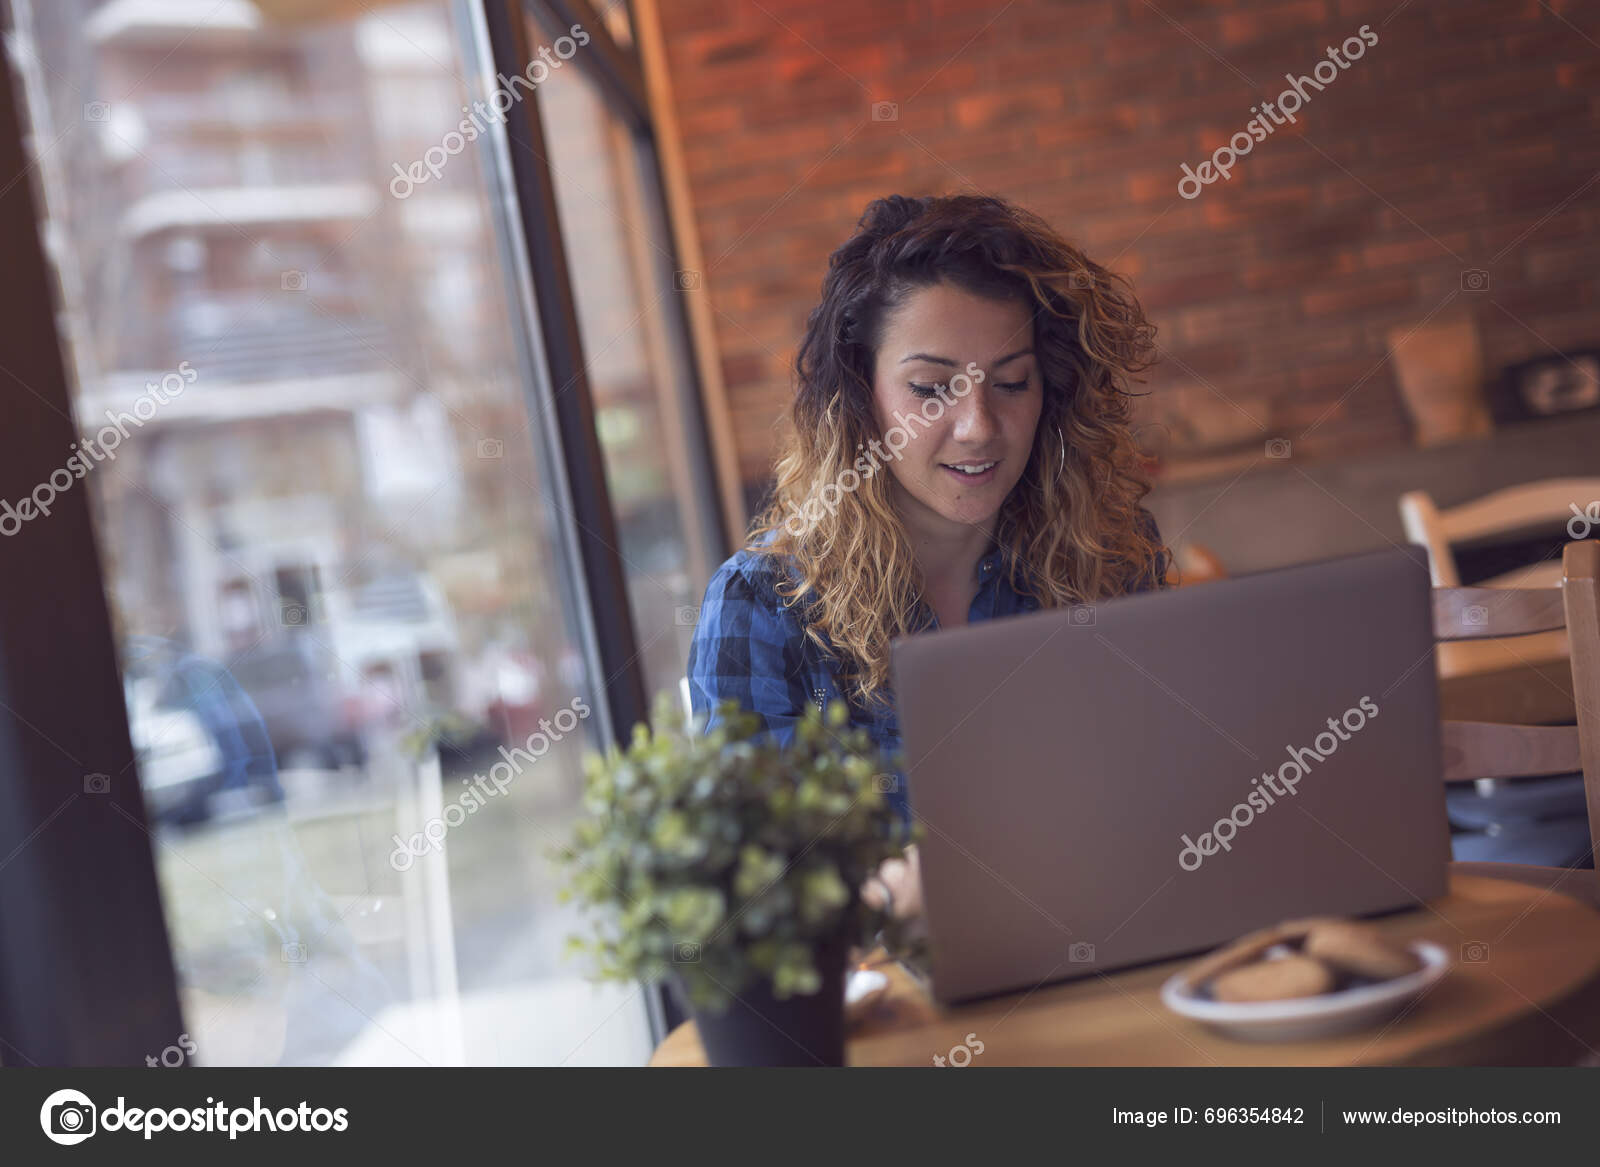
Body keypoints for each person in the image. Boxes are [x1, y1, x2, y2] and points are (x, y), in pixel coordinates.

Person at [687, 193, 1170, 922]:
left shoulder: (1113, 554)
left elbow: (1176, 799)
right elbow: (752, 903)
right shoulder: (761, 605)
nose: (978, 427)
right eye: (930, 388)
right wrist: (891, 895)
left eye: (1011, 383)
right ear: (860, 397)